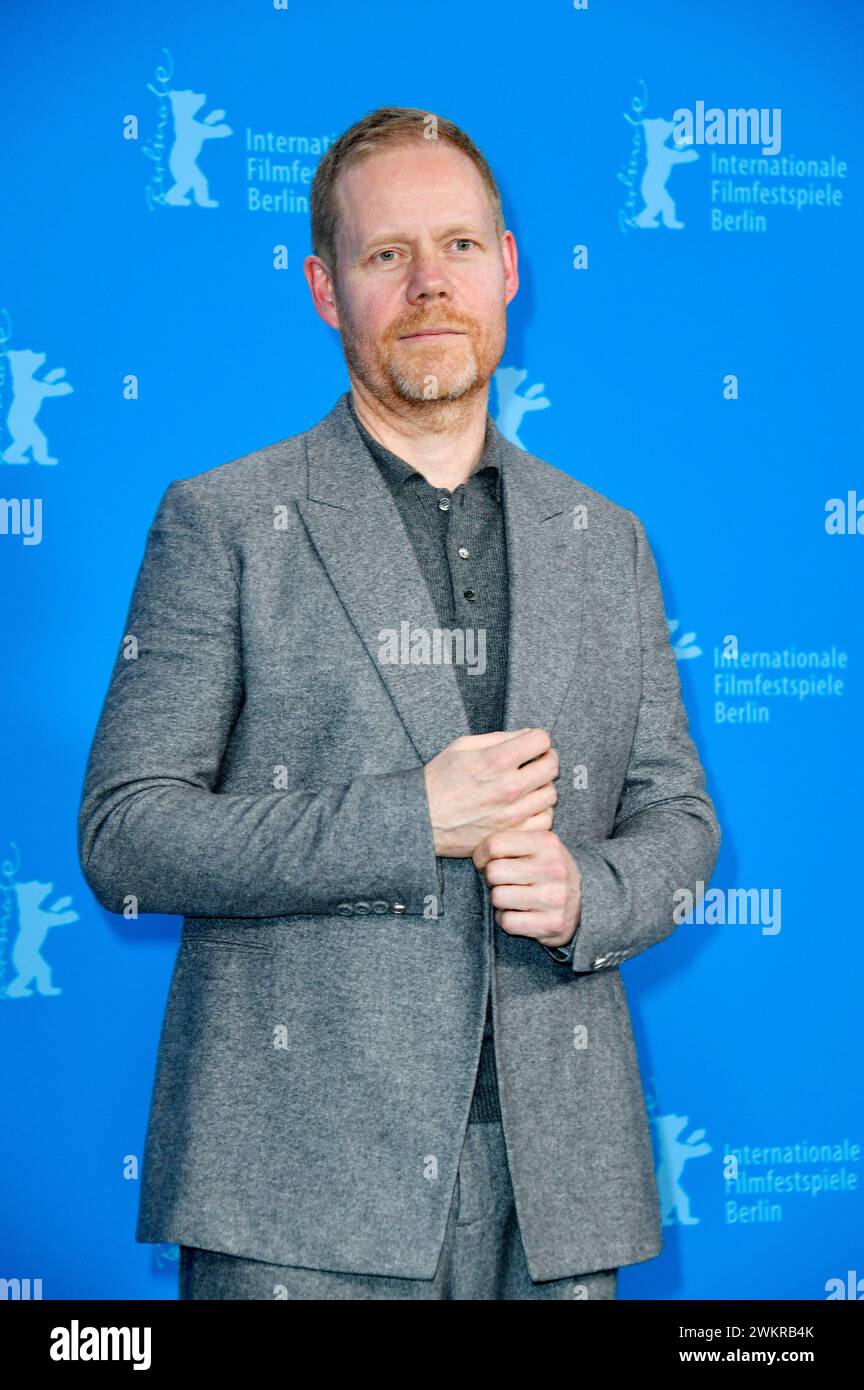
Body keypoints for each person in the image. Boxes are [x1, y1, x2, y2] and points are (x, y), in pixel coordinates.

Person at [77, 105, 720, 1300]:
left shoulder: (608, 540)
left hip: (561, 1190)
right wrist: (405, 819)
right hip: (298, 1195)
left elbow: (678, 818)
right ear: (328, 289)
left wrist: (595, 891)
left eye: (460, 247)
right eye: (388, 256)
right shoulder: (223, 521)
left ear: (509, 267)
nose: (431, 284)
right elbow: (123, 833)